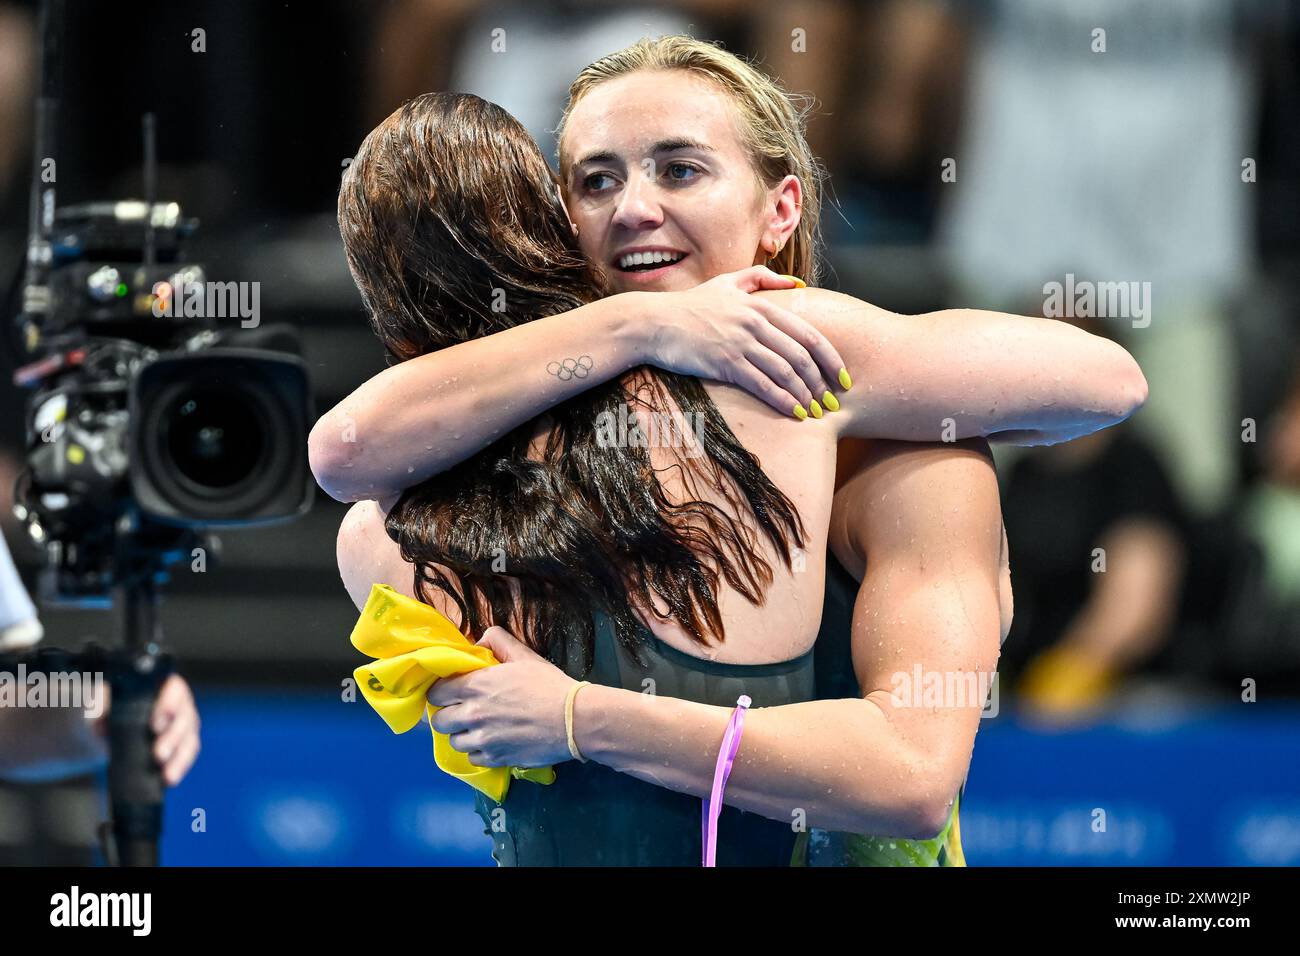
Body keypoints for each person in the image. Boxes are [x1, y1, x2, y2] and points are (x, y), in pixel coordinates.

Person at [320, 65, 1136, 866]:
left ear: (779, 210)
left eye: (680, 170)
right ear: (557, 222)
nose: (635, 208)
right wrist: (642, 325)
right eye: (596, 182)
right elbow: (343, 452)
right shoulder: (465, 475)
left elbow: (912, 778)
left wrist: (579, 717)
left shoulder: (901, 445)